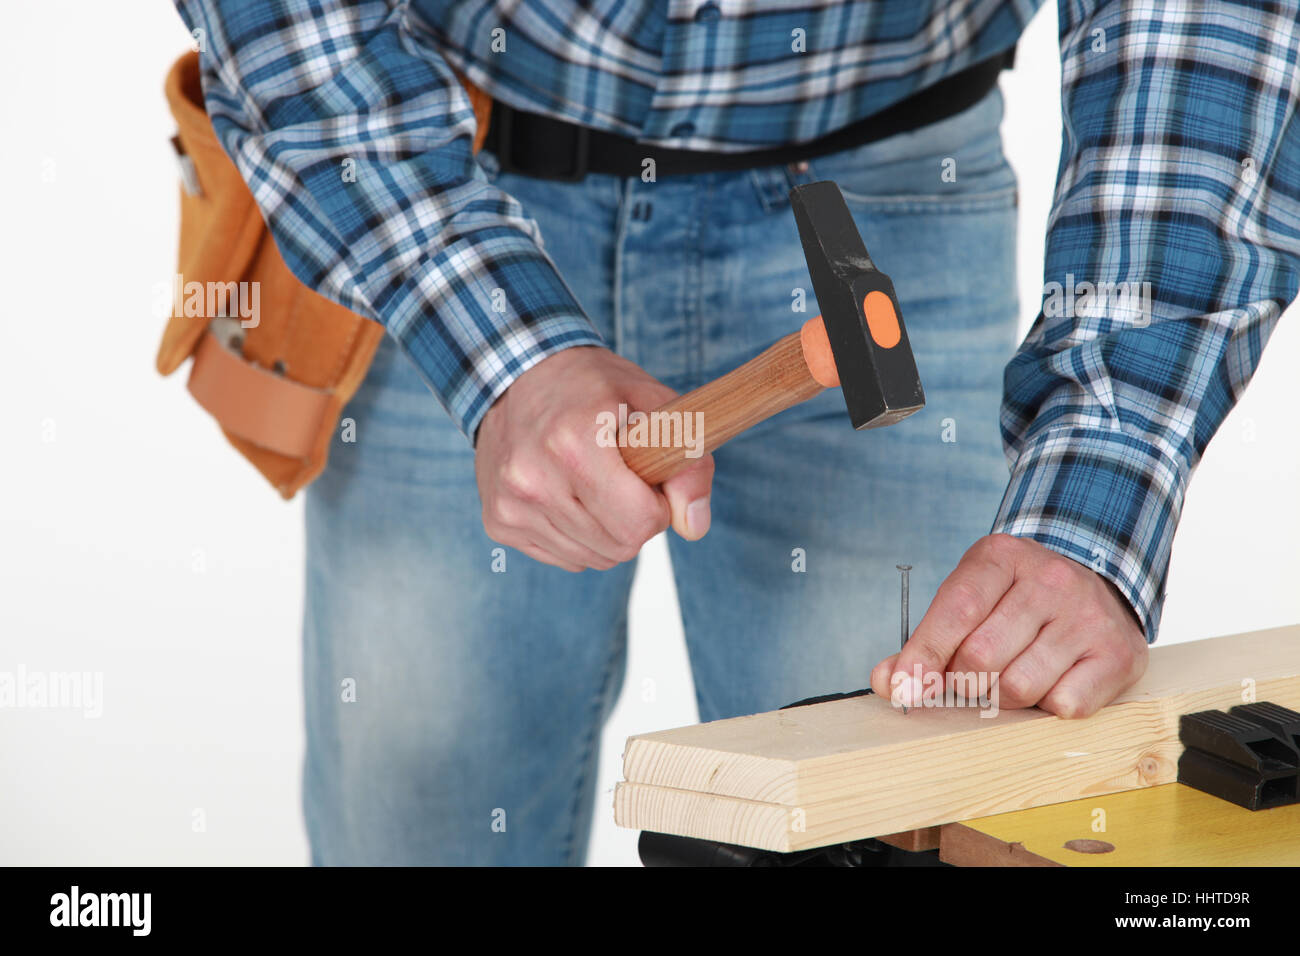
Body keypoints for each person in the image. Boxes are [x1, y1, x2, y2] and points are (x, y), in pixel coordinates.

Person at [171, 0, 1300, 864]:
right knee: (418, 812)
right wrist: (492, 334)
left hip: (880, 177)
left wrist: (1098, 476)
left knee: (880, 805)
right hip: (441, 165)